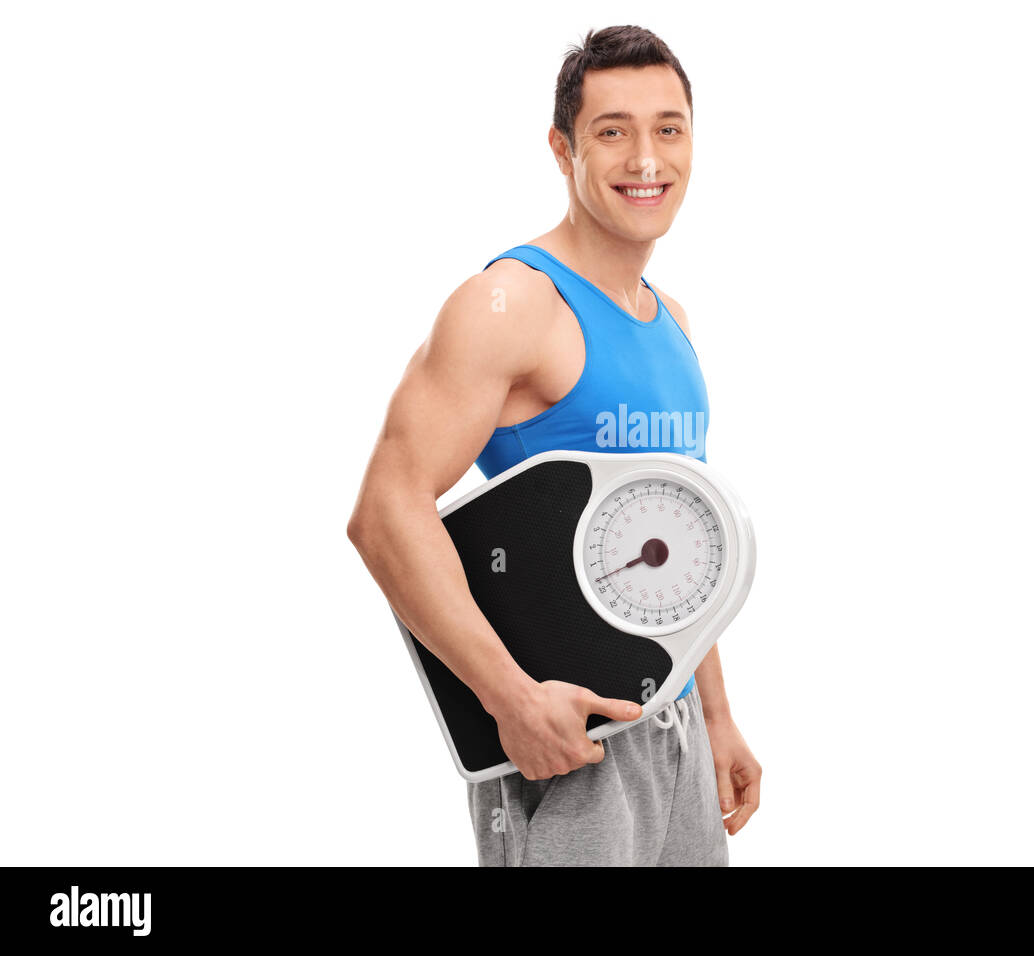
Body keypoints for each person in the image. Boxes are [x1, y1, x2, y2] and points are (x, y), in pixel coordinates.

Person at [347, 24, 760, 866]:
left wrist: (715, 715)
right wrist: (510, 700)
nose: (646, 157)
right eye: (613, 131)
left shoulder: (671, 320)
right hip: (570, 744)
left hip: (674, 732)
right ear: (562, 148)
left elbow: (683, 547)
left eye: (668, 128)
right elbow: (385, 512)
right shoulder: (512, 304)